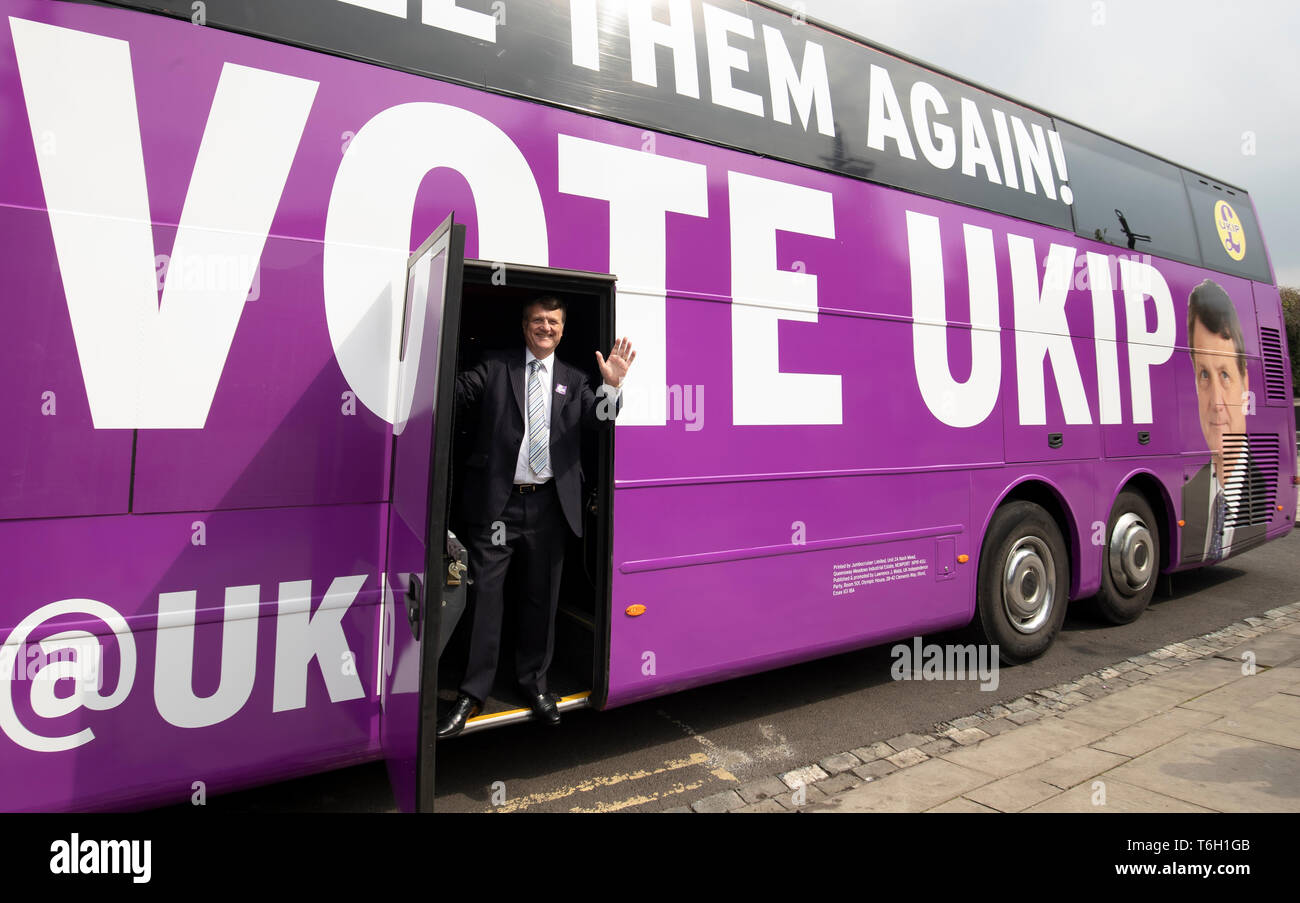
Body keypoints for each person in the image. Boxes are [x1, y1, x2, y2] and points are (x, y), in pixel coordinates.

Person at [436, 296, 634, 738]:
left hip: (548, 505)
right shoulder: (495, 367)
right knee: (485, 600)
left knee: (541, 600)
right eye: (538, 321)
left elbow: (599, 422)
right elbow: (457, 393)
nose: (546, 327)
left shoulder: (576, 378)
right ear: (525, 326)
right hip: (497, 505)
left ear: (563, 330)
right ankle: (472, 692)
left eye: (554, 322)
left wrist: (612, 389)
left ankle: (534, 683)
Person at [1181, 279, 1265, 562]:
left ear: (1245, 383)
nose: (1216, 403)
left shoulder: (1264, 491)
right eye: (1204, 375)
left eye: (1225, 376)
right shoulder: (1186, 497)